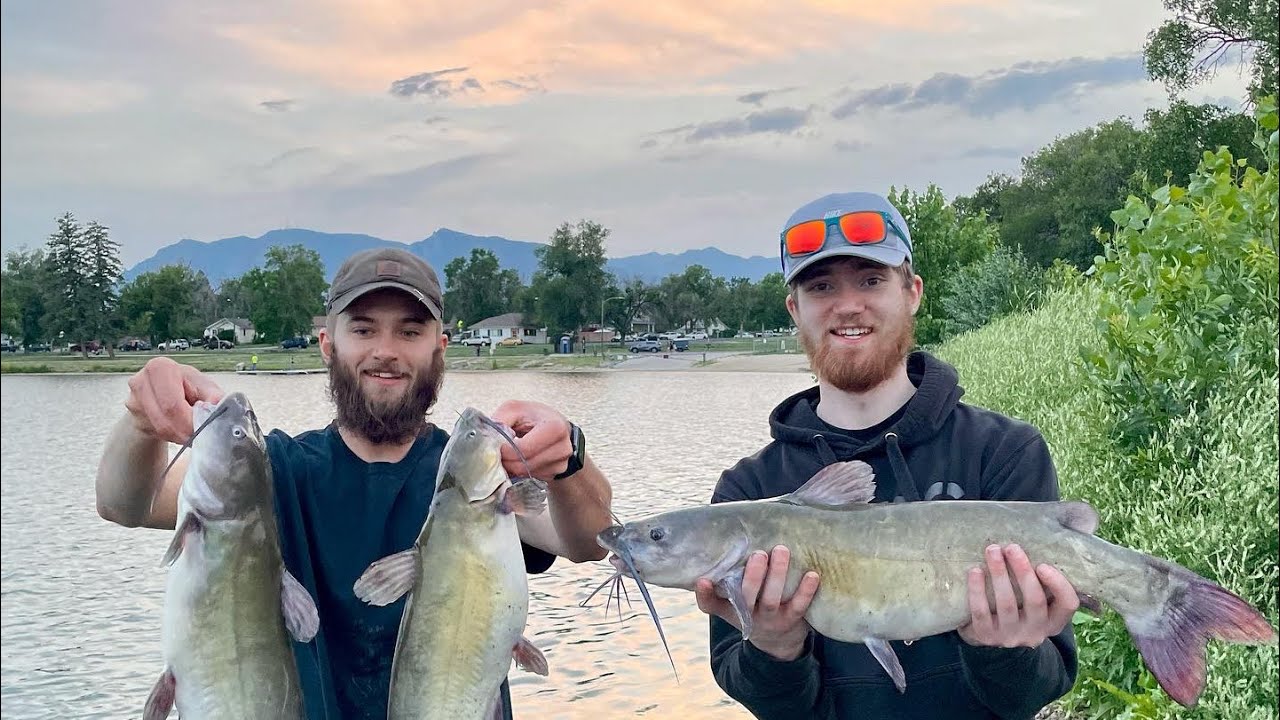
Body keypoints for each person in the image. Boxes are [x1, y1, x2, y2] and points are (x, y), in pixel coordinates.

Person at [95, 247, 615, 720]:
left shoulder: (474, 473)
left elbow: (588, 539)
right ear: (328, 343)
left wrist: (571, 455)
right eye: (364, 329)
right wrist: (141, 421)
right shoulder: (274, 468)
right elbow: (124, 503)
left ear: (441, 346)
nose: (386, 351)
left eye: (410, 331)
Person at [693, 192, 1080, 719]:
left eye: (871, 280)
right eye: (821, 286)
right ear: (795, 310)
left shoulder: (1004, 452)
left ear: (912, 292)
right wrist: (775, 648)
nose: (848, 305)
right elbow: (770, 704)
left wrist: (1000, 651)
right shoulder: (748, 493)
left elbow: (1037, 692)